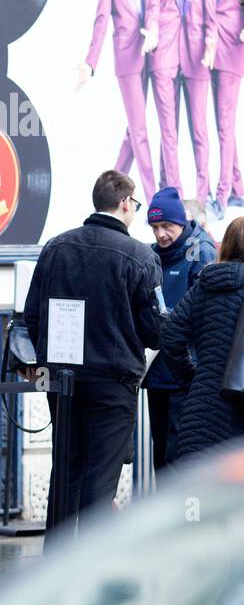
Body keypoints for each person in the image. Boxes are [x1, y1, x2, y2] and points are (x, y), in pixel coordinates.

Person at [24, 170, 162, 550]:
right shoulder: (139, 256)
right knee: (101, 478)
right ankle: (90, 567)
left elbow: (32, 314)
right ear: (124, 204)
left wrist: (47, 362)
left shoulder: (56, 247)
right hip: (112, 382)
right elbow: (153, 330)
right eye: (135, 205)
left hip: (63, 382)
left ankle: (57, 563)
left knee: (65, 470)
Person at [79, 0, 155, 201]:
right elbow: (101, 17)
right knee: (140, 133)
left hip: (151, 52)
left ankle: (108, 192)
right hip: (126, 56)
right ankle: (154, 198)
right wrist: (90, 62)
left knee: (132, 132)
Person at [143, 187, 216, 471]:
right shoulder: (150, 255)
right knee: (160, 453)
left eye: (167, 226)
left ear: (181, 222)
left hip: (186, 373)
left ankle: (187, 516)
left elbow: (208, 315)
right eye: (155, 227)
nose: (161, 234)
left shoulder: (202, 251)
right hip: (155, 371)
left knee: (180, 456)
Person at [160, 217, 244, 461]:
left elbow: (170, 335)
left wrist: (192, 377)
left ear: (224, 245)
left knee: (199, 496)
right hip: (239, 417)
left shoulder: (205, 285)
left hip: (201, 412)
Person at [204, 0, 244, 221]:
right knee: (224, 123)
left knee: (224, 126)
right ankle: (238, 189)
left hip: (232, 52)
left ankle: (222, 195)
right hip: (216, 53)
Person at [142, 0, 185, 194]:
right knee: (168, 128)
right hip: (162, 56)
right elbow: (152, 7)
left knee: (173, 129)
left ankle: (165, 182)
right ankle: (176, 191)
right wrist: (153, 32)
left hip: (180, 57)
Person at [180, 0, 216, 207]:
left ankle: (203, 192)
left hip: (198, 63)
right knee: (191, 129)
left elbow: (211, 19)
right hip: (182, 59)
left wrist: (208, 51)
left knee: (200, 129)